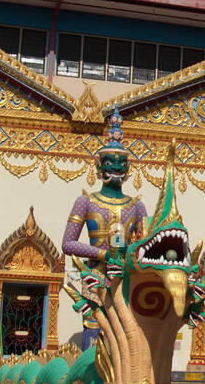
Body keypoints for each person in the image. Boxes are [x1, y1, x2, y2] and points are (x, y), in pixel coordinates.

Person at [61, 105, 148, 346]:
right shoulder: (86, 202)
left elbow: (144, 245)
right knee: (95, 325)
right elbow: (67, 243)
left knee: (127, 330)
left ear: (127, 168)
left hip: (127, 276)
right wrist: (103, 254)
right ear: (99, 167)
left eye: (120, 163)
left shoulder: (137, 206)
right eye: (109, 162)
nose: (116, 167)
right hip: (96, 275)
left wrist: (126, 257)